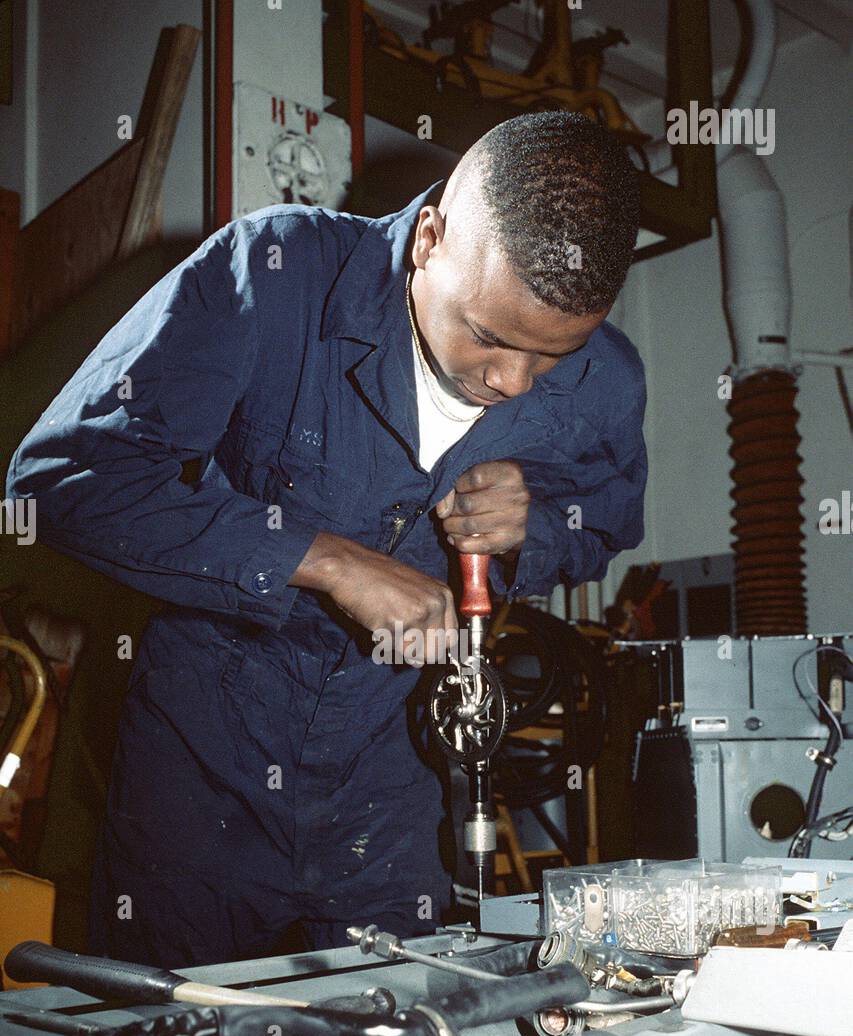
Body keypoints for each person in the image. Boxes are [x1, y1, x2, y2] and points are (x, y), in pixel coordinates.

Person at [7, 111, 647, 967]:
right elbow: (65, 479)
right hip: (203, 779)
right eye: (490, 338)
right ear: (428, 238)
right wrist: (323, 561)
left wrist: (536, 522)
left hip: (391, 787)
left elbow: (603, 522)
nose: (509, 383)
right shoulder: (274, 275)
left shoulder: (607, 378)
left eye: (550, 359)